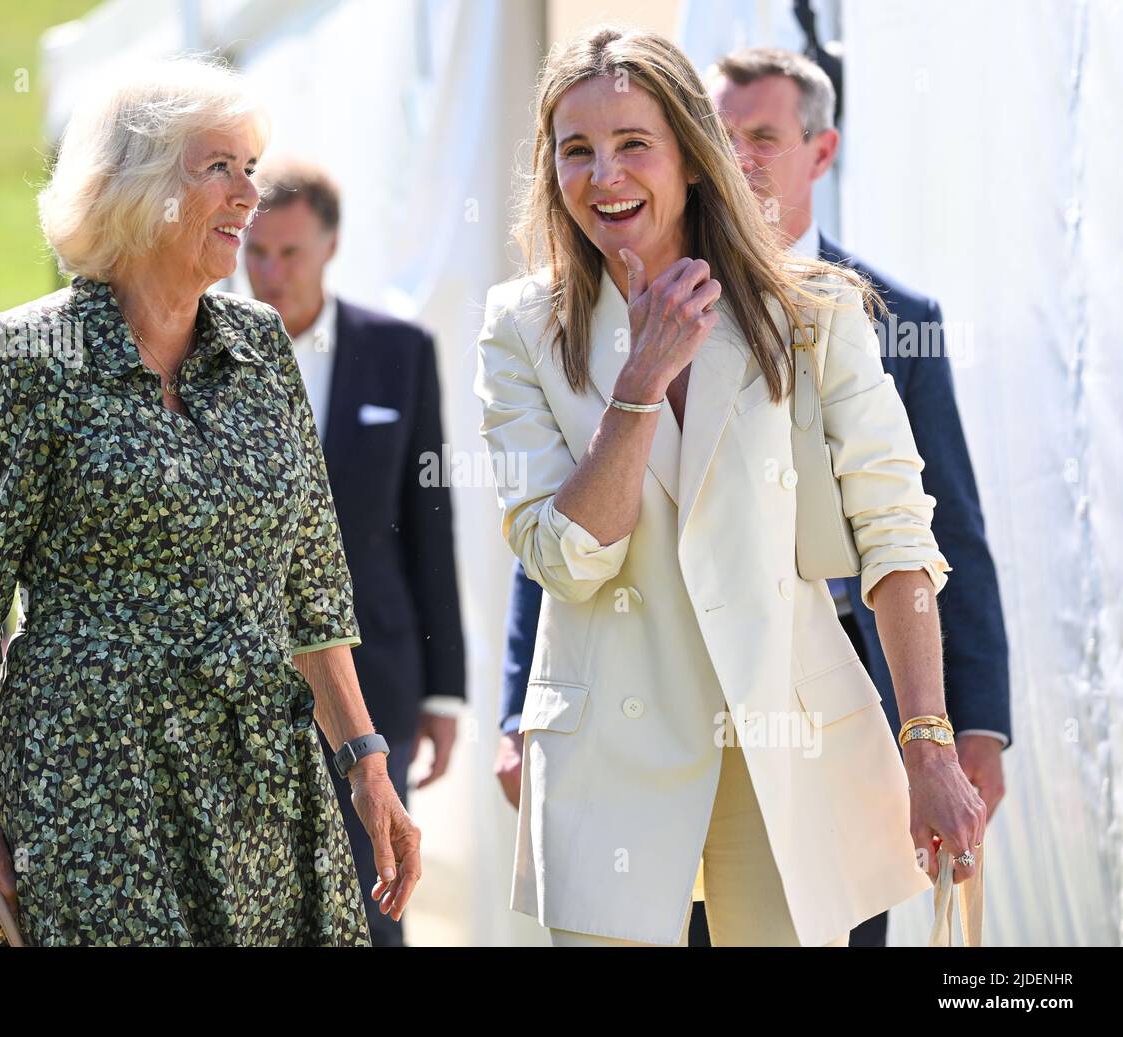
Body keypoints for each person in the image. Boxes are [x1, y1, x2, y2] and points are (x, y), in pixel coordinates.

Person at [474, 26, 983, 947]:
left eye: (634, 143)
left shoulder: (813, 309)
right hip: (609, 766)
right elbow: (564, 557)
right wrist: (635, 390)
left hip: (788, 748)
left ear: (694, 159)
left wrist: (930, 741)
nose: (604, 175)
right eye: (576, 149)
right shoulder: (519, 326)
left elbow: (897, 533)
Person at [0, 56, 420, 946]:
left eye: (252, 169)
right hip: (94, 790)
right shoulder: (29, 356)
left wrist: (368, 764)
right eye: (218, 167)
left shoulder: (263, 346)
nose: (248, 195)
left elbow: (313, 583)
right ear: (140, 184)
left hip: (264, 785)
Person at [707, 44, 1010, 946]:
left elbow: (946, 523)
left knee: (852, 926)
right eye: (722, 136)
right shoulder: (665, 298)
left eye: (763, 135)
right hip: (716, 691)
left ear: (822, 150)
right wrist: (520, 706)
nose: (741, 157)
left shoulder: (897, 319)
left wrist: (975, 726)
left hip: (862, 695)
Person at [245, 157, 465, 947]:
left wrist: (445, 689)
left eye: (290, 253)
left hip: (376, 676)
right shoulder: (201, 350)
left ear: (330, 245)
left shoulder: (398, 350)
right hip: (240, 683)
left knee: (374, 902)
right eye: (256, 252)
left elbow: (428, 520)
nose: (270, 273)